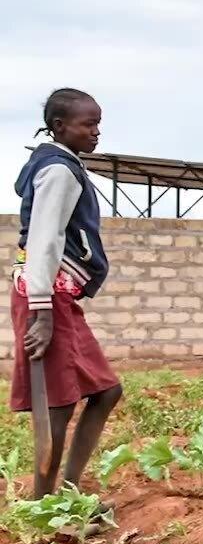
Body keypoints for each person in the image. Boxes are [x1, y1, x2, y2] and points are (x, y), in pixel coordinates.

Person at [12, 89, 122, 502]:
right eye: (88, 124)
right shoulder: (57, 170)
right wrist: (41, 311)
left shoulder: (63, 166)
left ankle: (69, 492)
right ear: (60, 126)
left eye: (98, 124)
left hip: (58, 296)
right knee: (57, 402)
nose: (96, 133)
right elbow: (43, 239)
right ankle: (44, 505)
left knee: (106, 391)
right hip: (47, 296)